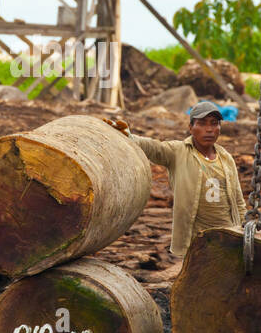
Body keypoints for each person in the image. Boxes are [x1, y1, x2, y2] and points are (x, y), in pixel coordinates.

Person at [104, 101, 246, 263]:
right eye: (202, 123)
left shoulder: (226, 157)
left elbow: (238, 199)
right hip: (196, 237)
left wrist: (243, 226)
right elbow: (153, 147)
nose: (209, 129)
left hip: (228, 233)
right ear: (191, 128)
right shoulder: (178, 151)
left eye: (214, 124)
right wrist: (129, 137)